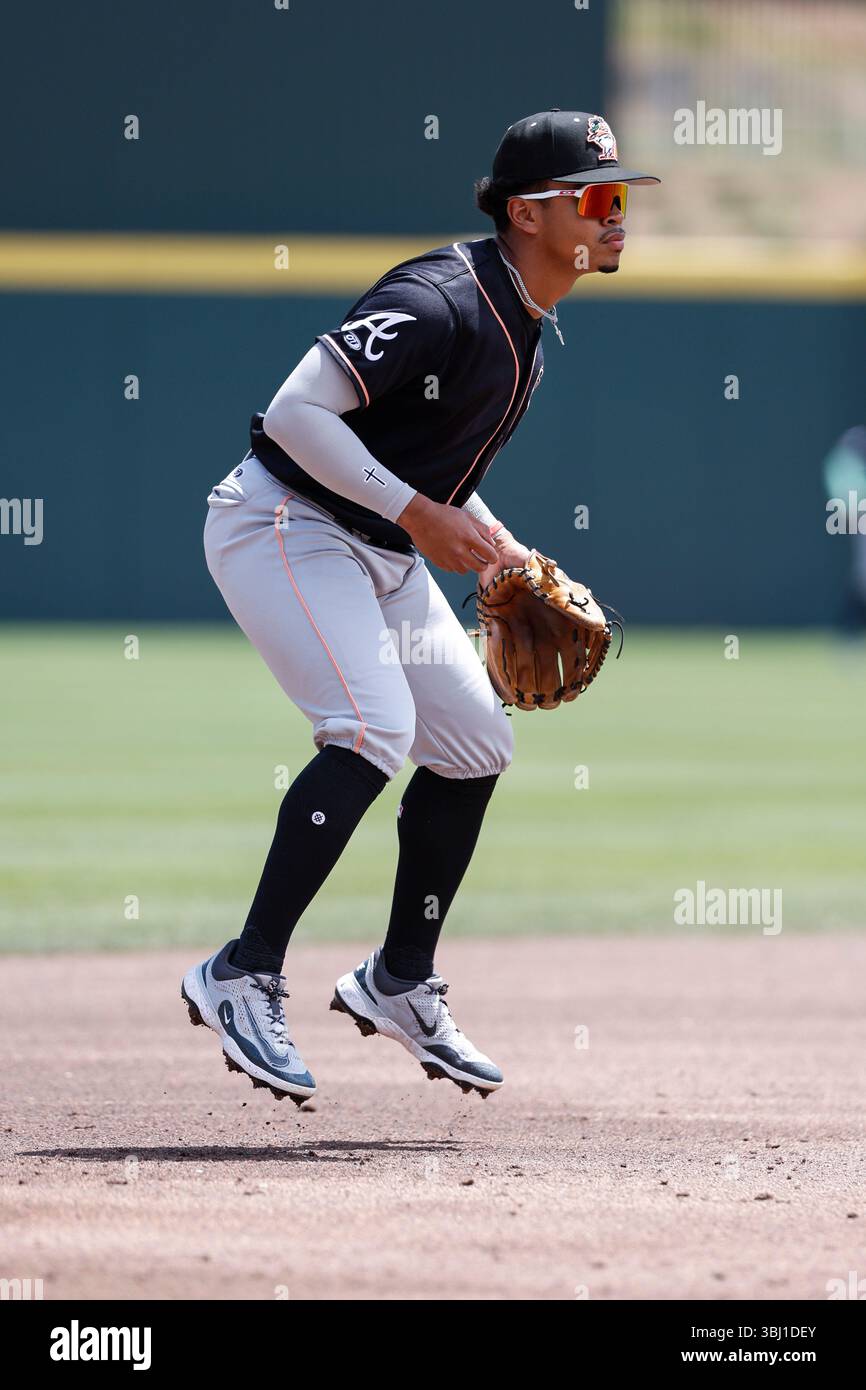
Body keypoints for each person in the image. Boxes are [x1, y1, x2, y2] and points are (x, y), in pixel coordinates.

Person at [181, 109, 659, 1103]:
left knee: (476, 739)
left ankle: (397, 979)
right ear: (529, 213)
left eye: (620, 200)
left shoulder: (524, 319)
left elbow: (431, 466)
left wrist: (493, 543)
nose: (617, 219)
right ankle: (241, 971)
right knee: (368, 728)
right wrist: (413, 513)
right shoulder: (440, 299)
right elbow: (296, 414)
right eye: (599, 199)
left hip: (375, 546)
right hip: (284, 523)